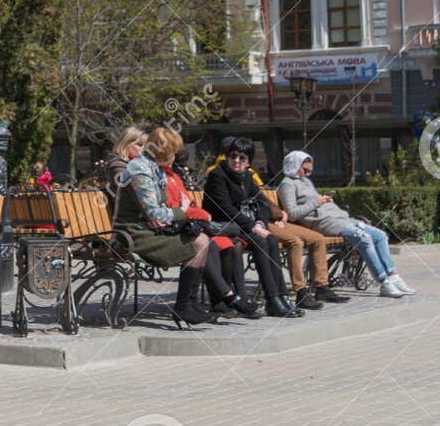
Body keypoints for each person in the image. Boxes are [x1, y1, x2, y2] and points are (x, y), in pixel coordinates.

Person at [113, 126, 245, 325]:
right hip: (134, 233)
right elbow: (155, 212)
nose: (175, 156)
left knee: (201, 239)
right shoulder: (140, 170)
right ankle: (184, 306)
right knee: (199, 242)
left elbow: (159, 208)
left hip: (152, 227)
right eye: (172, 152)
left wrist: (169, 213)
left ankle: (188, 305)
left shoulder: (152, 167)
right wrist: (182, 211)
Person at [279, 150, 416, 297]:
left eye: (309, 171)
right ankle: (383, 282)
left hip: (337, 218)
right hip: (321, 222)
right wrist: (317, 202)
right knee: (363, 238)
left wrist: (323, 200)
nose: (307, 174)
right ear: (294, 165)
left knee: (380, 235)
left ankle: (393, 276)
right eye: (304, 170)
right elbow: (292, 214)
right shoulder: (287, 185)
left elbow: (311, 201)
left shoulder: (304, 181)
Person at [200, 137, 311, 315]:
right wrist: (253, 227)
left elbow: (262, 204)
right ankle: (272, 298)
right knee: (260, 240)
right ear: (227, 156)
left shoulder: (247, 177)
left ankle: (280, 297)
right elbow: (226, 209)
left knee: (271, 239)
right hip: (223, 226)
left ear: (249, 161)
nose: (236, 161)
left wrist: (260, 222)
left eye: (242, 158)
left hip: (241, 226)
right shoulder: (217, 176)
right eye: (233, 156)